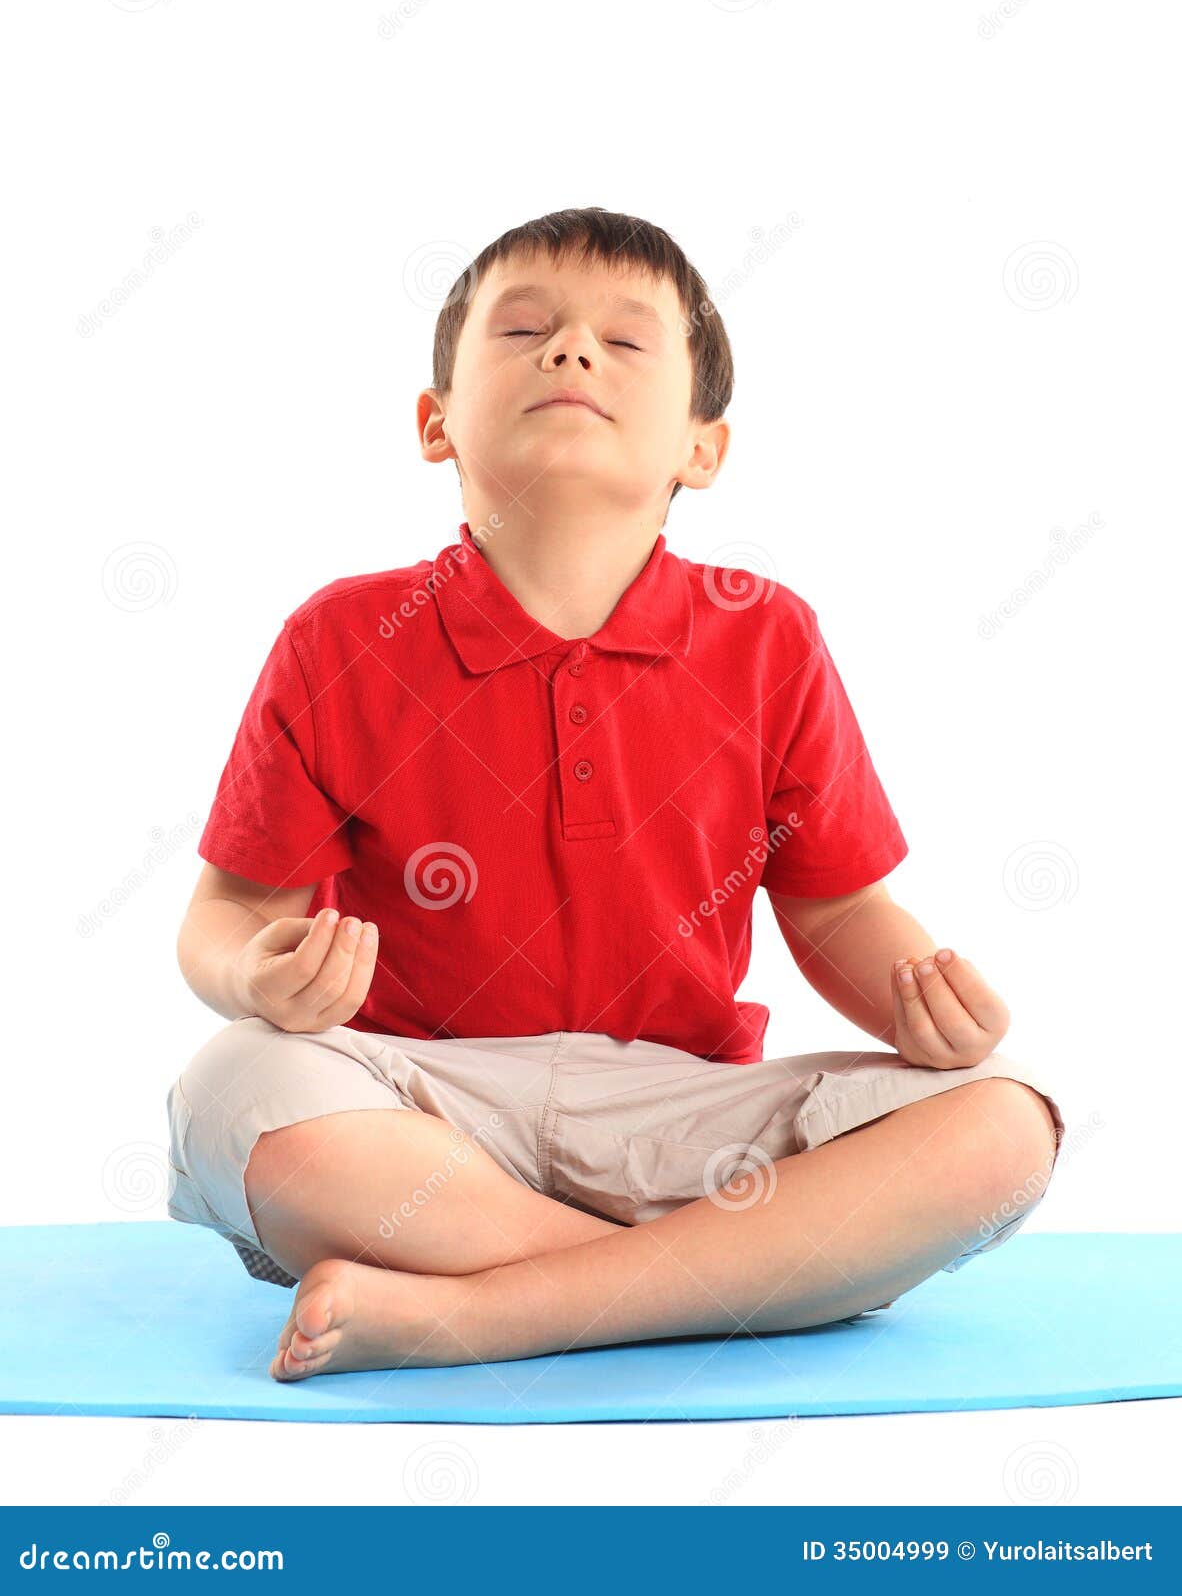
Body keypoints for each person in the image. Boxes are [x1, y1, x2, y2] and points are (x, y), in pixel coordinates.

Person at [166, 206, 1065, 1382]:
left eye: (625, 342)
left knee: (1004, 1119)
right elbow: (224, 917)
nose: (571, 351)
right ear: (435, 422)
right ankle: (719, 1282)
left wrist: (916, 1006)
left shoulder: (768, 636)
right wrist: (255, 975)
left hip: (683, 1116)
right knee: (231, 1087)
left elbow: (838, 912)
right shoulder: (341, 637)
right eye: (526, 328)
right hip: (424, 1109)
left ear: (704, 446)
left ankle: (497, 1308)